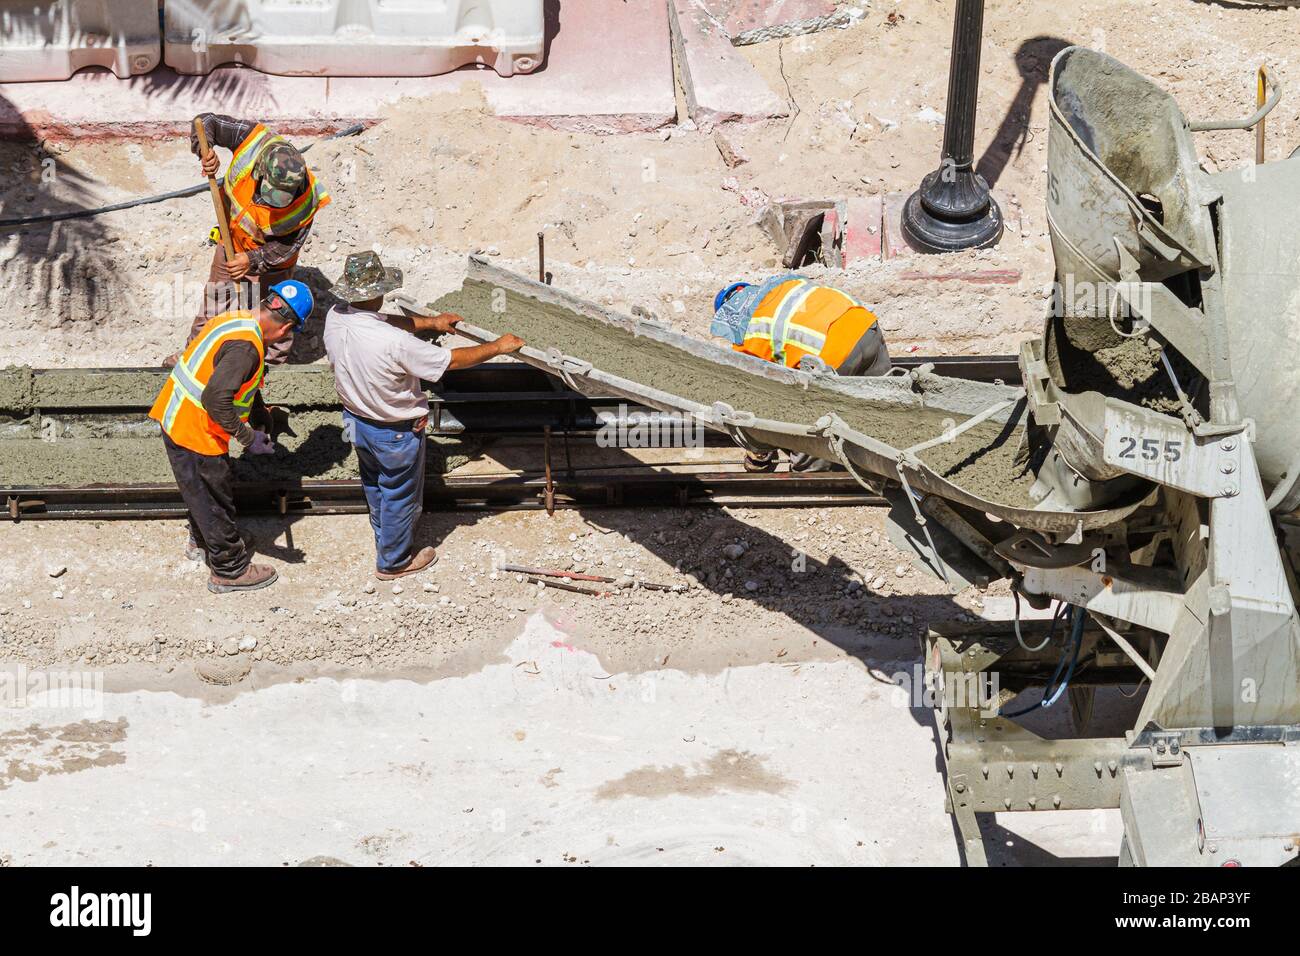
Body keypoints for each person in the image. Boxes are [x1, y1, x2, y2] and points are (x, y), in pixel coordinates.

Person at [323, 252, 525, 580]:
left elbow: (383, 321)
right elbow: (450, 361)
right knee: (400, 492)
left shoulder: (336, 316)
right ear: (376, 293)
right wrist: (496, 347)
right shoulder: (394, 343)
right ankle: (394, 561)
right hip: (395, 431)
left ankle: (384, 531)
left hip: (356, 420)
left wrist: (430, 323)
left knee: (375, 481)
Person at [151, 280, 314, 593]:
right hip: (196, 430)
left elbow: (230, 380)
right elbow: (217, 399)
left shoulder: (236, 320)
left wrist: (259, 413)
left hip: (179, 417)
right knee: (214, 498)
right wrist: (248, 437)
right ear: (286, 329)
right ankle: (229, 568)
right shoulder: (247, 348)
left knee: (200, 492)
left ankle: (205, 542)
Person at [164, 113, 331, 367]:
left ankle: (271, 367)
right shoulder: (252, 141)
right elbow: (206, 122)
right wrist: (205, 151)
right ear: (261, 171)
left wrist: (252, 260)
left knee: (276, 313)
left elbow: (286, 247)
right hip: (232, 239)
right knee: (216, 301)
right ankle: (195, 355)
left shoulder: (304, 204)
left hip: (273, 261)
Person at [712, 275, 891, 472]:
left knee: (806, 413)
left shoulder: (748, 332)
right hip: (866, 327)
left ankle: (810, 473)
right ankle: (890, 466)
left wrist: (758, 448)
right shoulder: (782, 290)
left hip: (834, 355)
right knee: (880, 412)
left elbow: (755, 397)